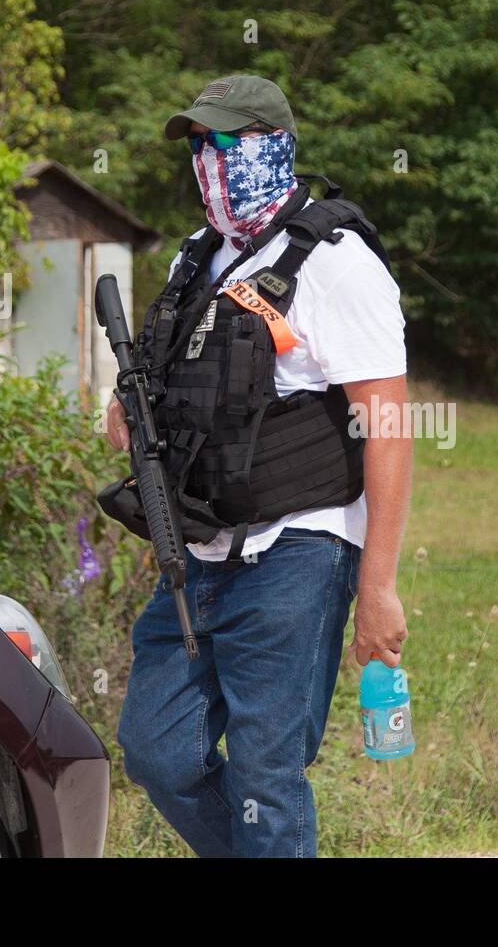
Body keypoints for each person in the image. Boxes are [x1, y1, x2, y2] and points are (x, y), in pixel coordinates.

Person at [105, 76, 410, 857]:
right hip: (197, 553)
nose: (210, 162)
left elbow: (390, 431)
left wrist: (377, 587)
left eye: (227, 144)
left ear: (277, 147)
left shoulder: (336, 263)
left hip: (298, 551)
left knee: (268, 773)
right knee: (157, 753)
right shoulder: (194, 261)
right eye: (199, 146)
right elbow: (154, 397)